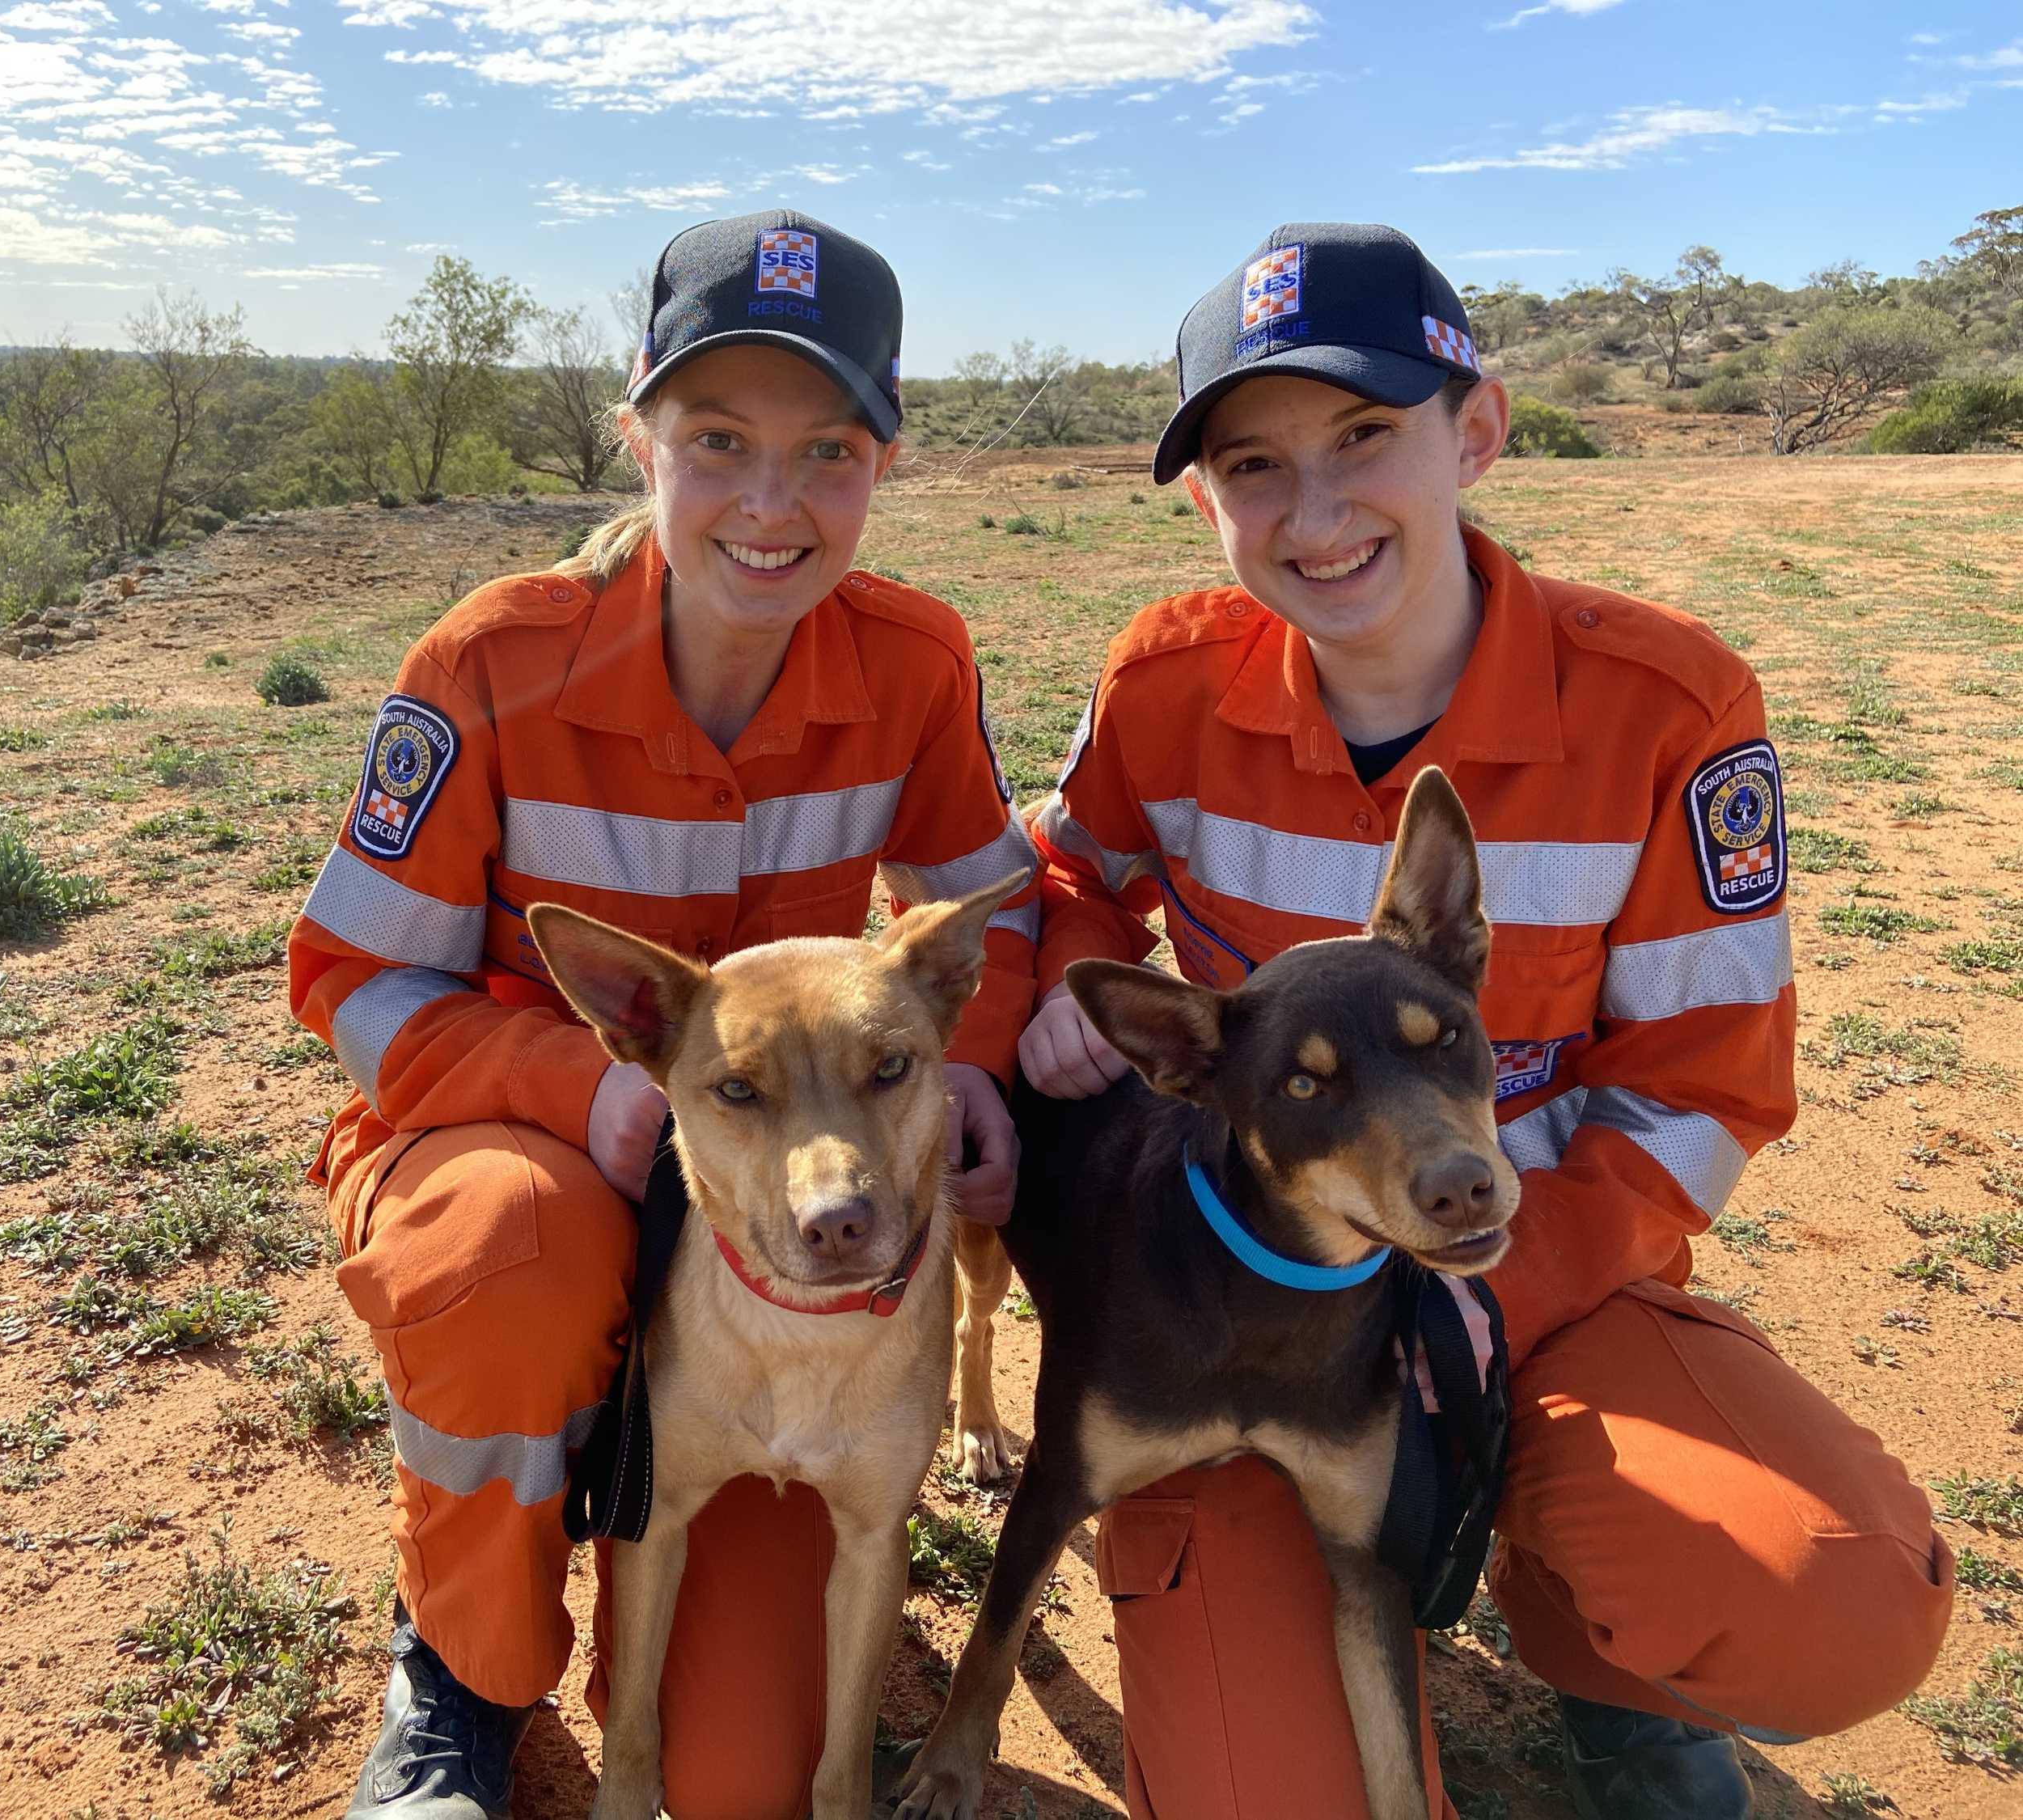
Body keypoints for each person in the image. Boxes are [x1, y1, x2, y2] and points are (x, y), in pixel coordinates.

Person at [1018, 222, 1952, 1820]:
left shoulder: (1669, 710)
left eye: (1366, 436)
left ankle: (1600, 1652)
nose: (1313, 514)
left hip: (1547, 1279)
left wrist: (1491, 1298)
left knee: (1833, 1600)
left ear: (1480, 432)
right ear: (1206, 502)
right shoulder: (1163, 687)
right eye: (1254, 466)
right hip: (1251, 1297)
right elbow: (1070, 878)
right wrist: (1060, 985)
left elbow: (1702, 1091)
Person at [286, 209, 1039, 1818]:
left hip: (791, 1177)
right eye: (717, 442)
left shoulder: (914, 660)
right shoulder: (492, 661)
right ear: (638, 435)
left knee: (736, 1780)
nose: (771, 505)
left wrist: (958, 1075)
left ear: (883, 464)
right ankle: (467, 1673)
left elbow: (998, 904)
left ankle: (701, 1520)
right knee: (512, 1252)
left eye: (826, 451)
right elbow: (353, 975)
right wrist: (596, 1095)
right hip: (517, 1146)